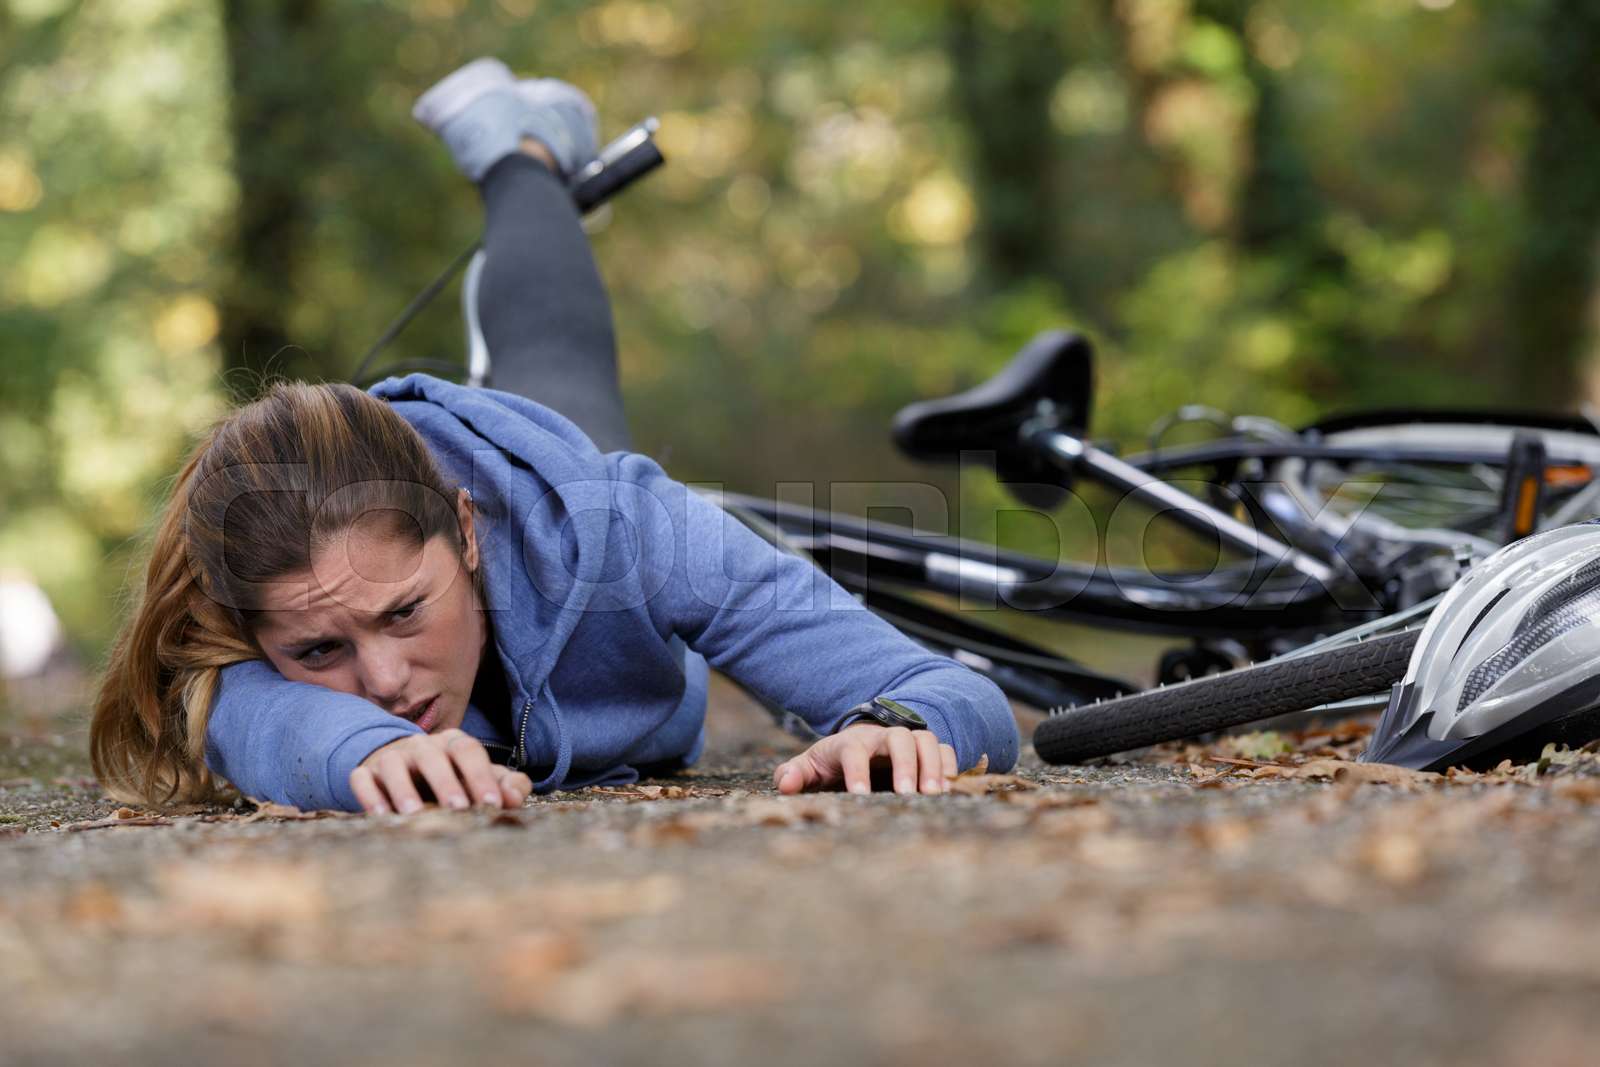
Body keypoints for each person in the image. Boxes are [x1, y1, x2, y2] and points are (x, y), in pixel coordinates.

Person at [90, 59, 1020, 815]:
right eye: (317, 652)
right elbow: (236, 716)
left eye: (405, 612)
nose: (385, 680)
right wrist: (357, 754)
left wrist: (898, 724)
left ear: (465, 528)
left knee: (556, 360)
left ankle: (520, 148)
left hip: (551, 474)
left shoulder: (615, 523)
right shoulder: (244, 633)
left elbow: (952, 694)